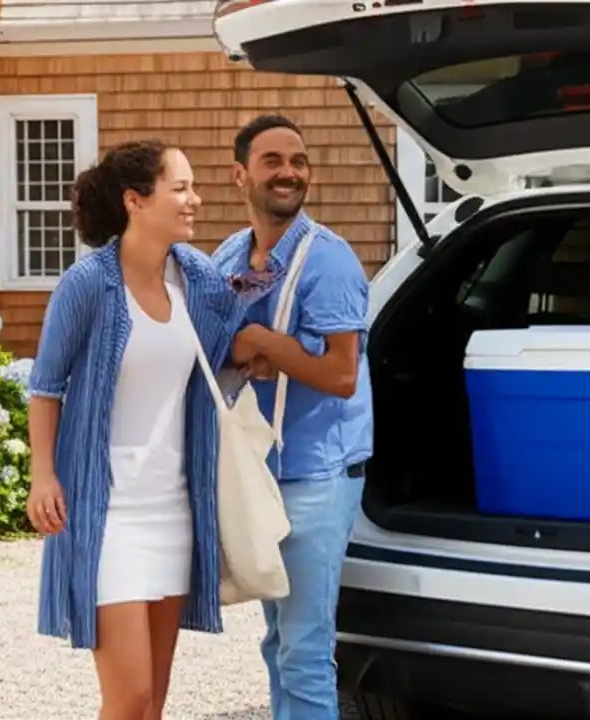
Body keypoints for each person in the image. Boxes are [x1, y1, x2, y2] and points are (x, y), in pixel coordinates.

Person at [24, 139, 244, 720]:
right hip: (108, 514)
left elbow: (232, 342)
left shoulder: (197, 279)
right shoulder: (88, 284)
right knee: (129, 698)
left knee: (156, 702)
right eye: (181, 188)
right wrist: (42, 474)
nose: (195, 199)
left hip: (174, 509)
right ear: (135, 201)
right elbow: (45, 386)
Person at [212, 114, 374, 719]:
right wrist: (249, 348)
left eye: (299, 162)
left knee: (304, 649)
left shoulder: (328, 262)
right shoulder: (229, 255)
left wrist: (264, 340)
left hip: (316, 476)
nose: (289, 172)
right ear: (240, 175)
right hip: (258, 469)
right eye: (273, 161)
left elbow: (339, 375)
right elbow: (213, 347)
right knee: (276, 641)